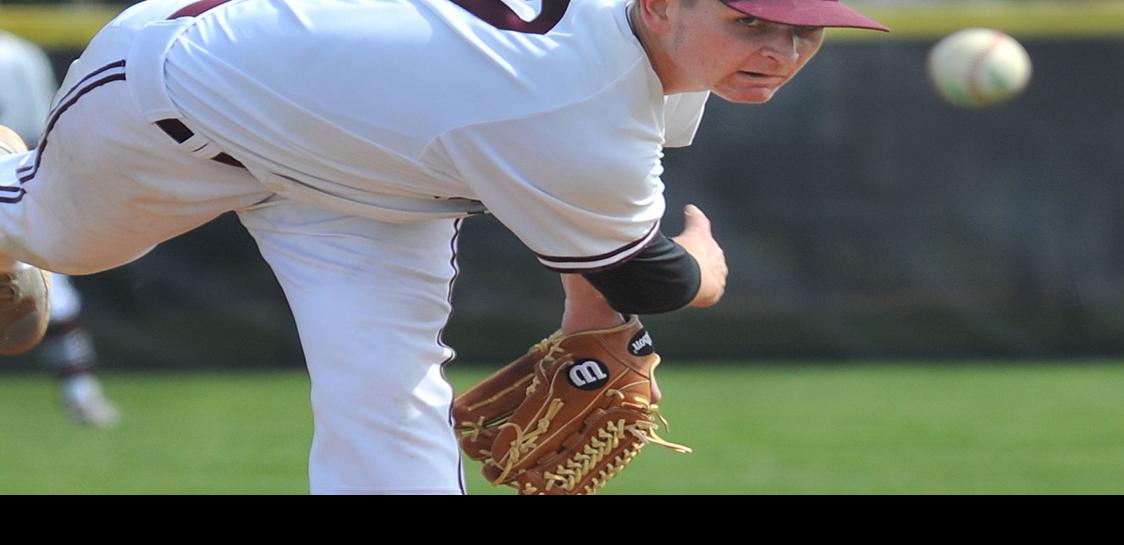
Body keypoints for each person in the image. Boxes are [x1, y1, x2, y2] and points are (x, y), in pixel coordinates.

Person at [0, 0, 886, 492]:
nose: (781, 49)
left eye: (804, 29)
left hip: (370, 180)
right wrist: (702, 272)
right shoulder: (565, 95)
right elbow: (646, 271)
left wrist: (590, 318)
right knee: (54, 240)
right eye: (752, 22)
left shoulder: (652, 52)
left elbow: (595, 235)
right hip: (186, 98)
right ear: (660, 5)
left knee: (384, 398)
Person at [0, 23, 121, 426]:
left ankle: (81, 393)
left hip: (10, 179)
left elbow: (37, 134)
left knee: (56, 295)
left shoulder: (17, 56)